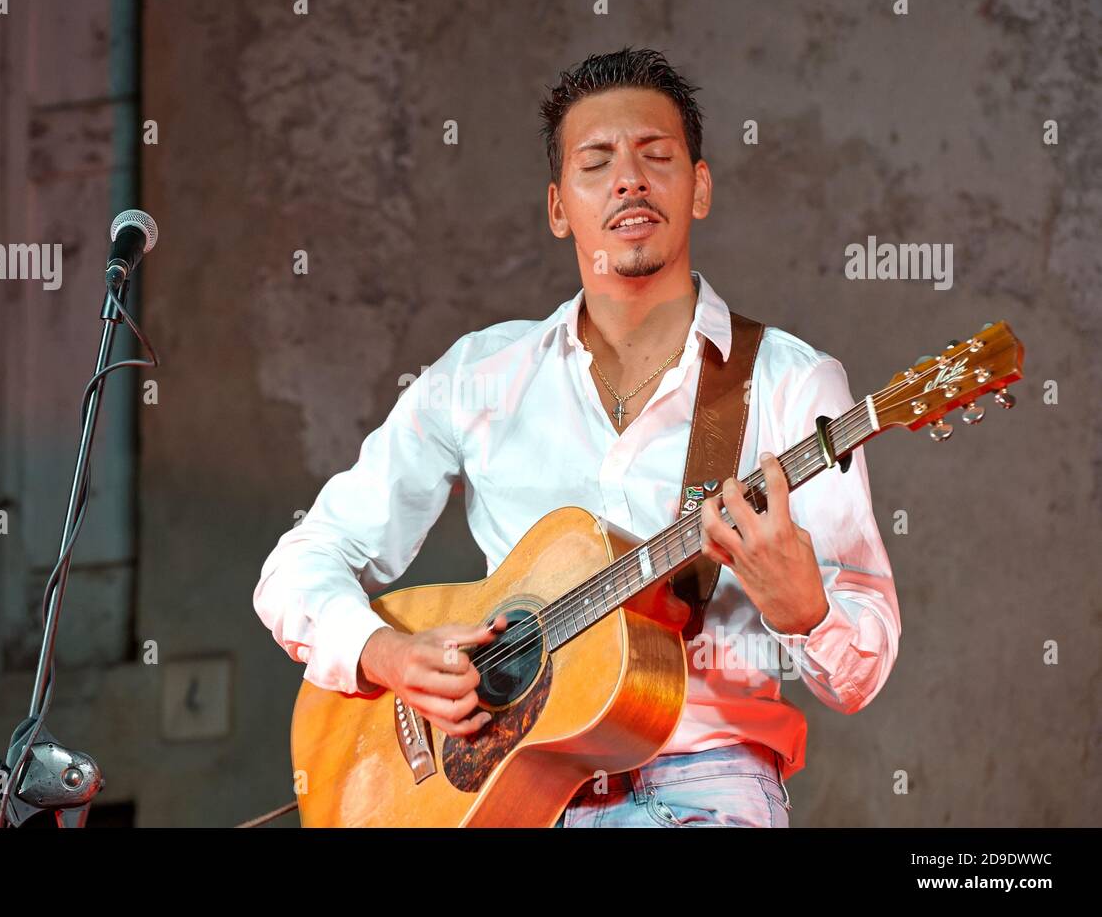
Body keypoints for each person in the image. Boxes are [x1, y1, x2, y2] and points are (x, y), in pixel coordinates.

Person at [253, 47, 901, 827]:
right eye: (598, 162)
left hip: (703, 787)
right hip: (512, 793)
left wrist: (807, 612)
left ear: (699, 188)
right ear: (559, 207)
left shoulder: (793, 384)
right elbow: (298, 564)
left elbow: (860, 670)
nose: (630, 178)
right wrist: (385, 654)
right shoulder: (479, 375)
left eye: (656, 156)